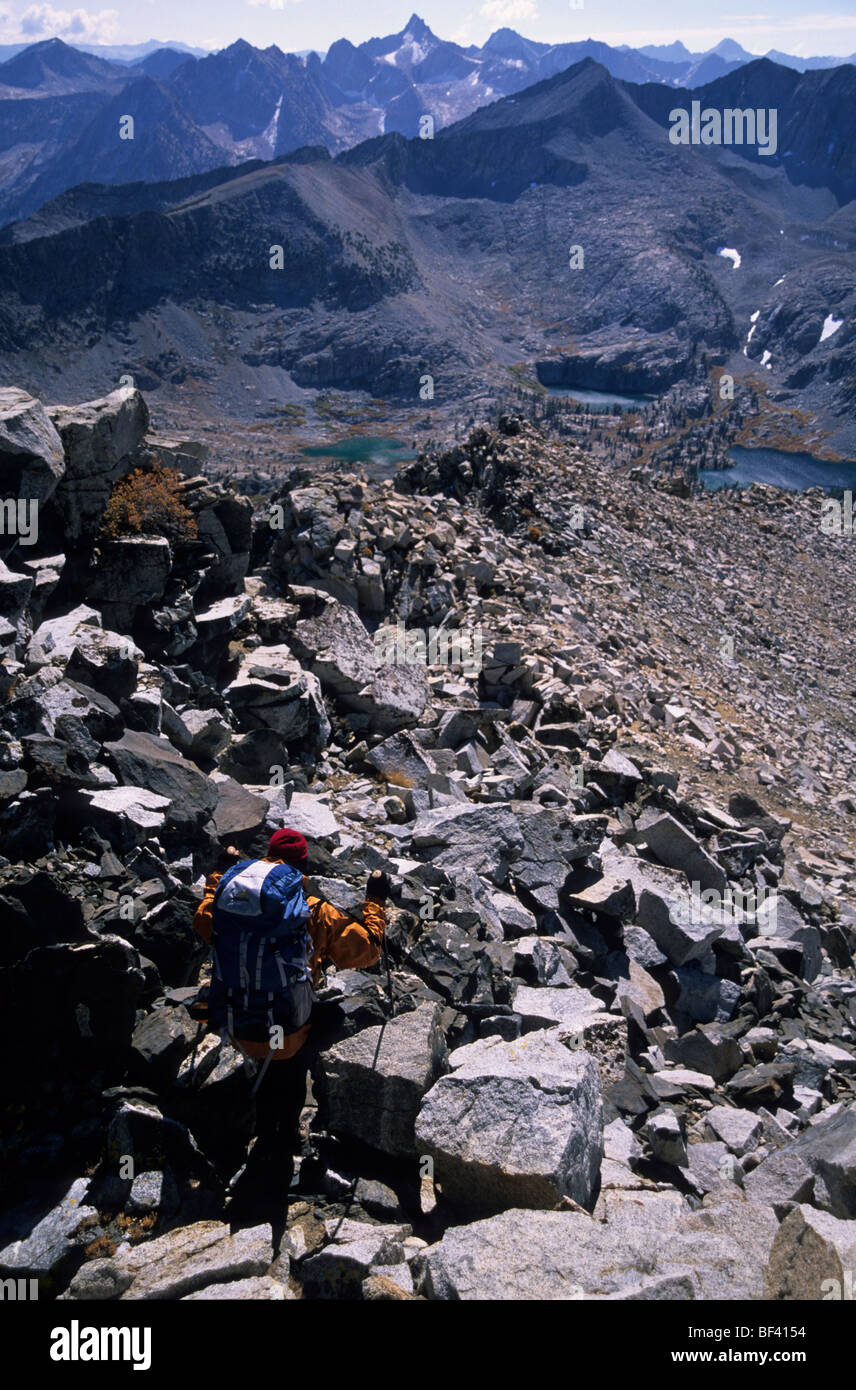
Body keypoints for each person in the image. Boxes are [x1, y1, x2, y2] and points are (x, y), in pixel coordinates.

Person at [192, 827, 390, 1205]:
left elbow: (204, 921)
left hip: (236, 1020)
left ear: (266, 857)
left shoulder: (229, 899)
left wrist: (218, 875)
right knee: (322, 1031)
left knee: (269, 1071)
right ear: (303, 867)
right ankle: (284, 1143)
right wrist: (376, 902)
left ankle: (265, 1137)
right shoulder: (312, 909)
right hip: (288, 1032)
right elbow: (367, 952)